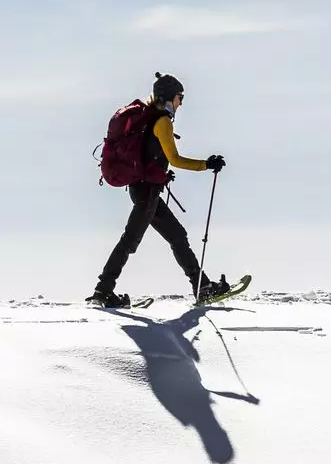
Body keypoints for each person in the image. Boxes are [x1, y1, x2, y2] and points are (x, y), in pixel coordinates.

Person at [91, 73, 232, 307]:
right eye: (180, 97)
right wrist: (206, 164)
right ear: (169, 97)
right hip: (147, 193)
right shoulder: (162, 121)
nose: (181, 103)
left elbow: (151, 156)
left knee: (177, 236)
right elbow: (174, 159)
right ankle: (103, 291)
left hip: (145, 190)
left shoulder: (150, 117)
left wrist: (161, 173)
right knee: (130, 241)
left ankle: (202, 287)